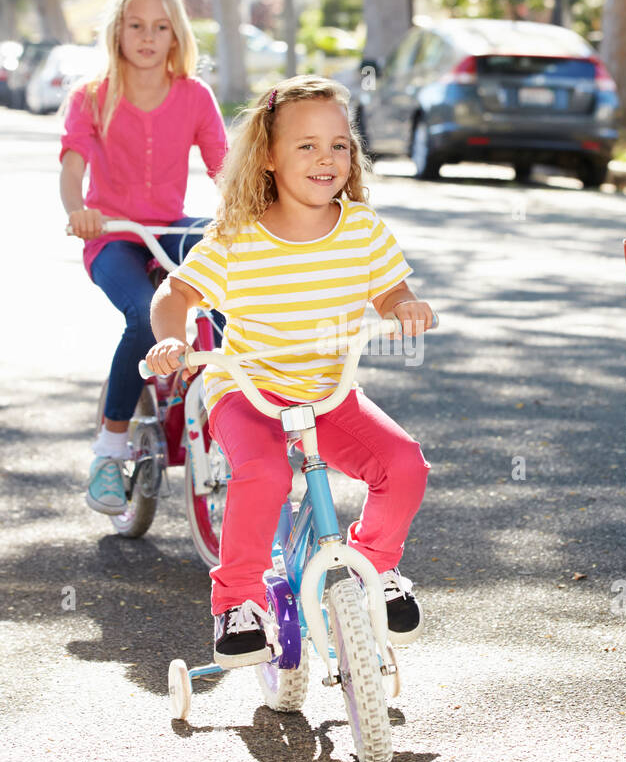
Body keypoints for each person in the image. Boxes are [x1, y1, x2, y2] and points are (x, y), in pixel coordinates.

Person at [144, 76, 433, 667]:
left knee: (404, 466)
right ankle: (238, 601)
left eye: (339, 145)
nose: (326, 158)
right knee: (266, 474)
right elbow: (174, 296)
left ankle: (374, 567)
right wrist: (172, 337)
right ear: (269, 158)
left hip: (328, 393)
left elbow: (390, 291)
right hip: (248, 390)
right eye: (306, 145)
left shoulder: (362, 229)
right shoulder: (237, 239)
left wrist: (402, 307)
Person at [59, 0, 227, 515]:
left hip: (172, 228)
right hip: (115, 236)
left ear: (176, 35)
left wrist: (247, 213)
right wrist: (78, 211)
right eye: (136, 26)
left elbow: (226, 169)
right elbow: (72, 164)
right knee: (140, 314)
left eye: (159, 27)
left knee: (230, 277)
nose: (148, 37)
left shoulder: (194, 96)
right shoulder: (92, 96)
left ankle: (231, 401)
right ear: (118, 32)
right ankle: (108, 451)